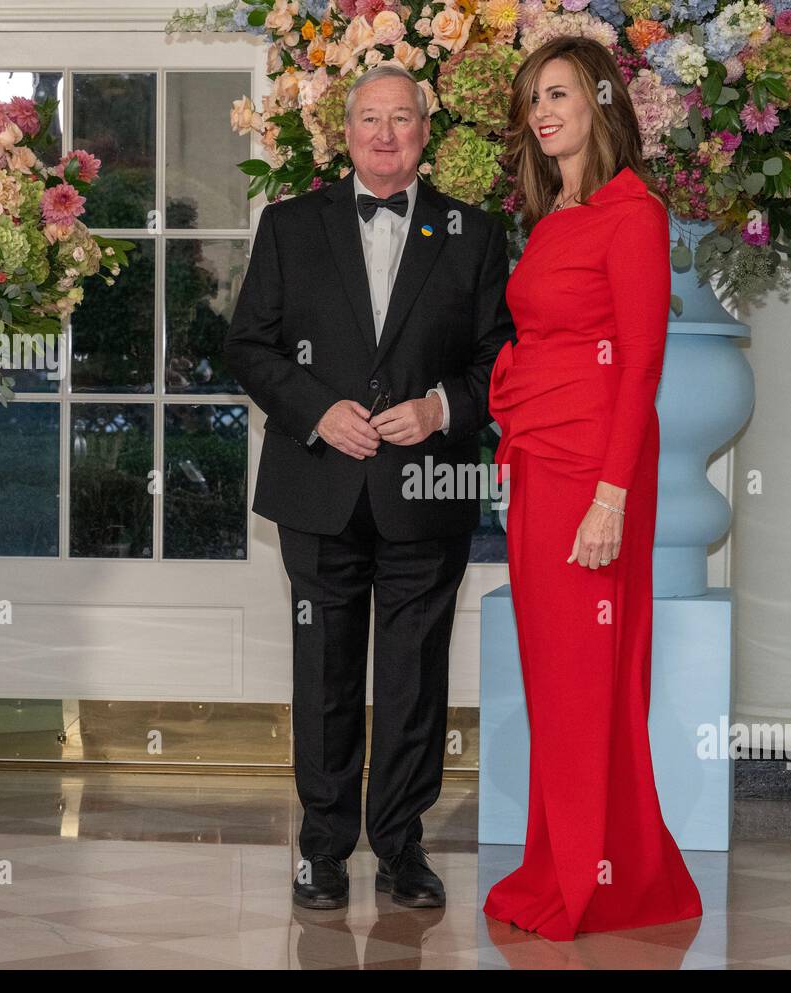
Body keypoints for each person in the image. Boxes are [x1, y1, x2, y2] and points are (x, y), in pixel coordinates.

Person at [225, 64, 514, 910]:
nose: (385, 135)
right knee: (323, 672)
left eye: (401, 119)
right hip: (319, 488)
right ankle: (320, 850)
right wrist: (318, 411)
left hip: (430, 483)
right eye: (368, 120)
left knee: (416, 675)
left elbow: (500, 358)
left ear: (426, 133)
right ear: (345, 135)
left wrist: (438, 407)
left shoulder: (477, 231)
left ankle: (401, 846)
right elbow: (250, 346)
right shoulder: (288, 224)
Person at [482, 36, 704, 941]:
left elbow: (641, 360)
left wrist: (611, 495)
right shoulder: (552, 219)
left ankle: (597, 878)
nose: (544, 111)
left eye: (561, 93)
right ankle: (570, 862)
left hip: (593, 474)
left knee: (587, 678)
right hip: (540, 462)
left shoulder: (632, 213)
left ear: (603, 104)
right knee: (555, 678)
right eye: (535, 97)